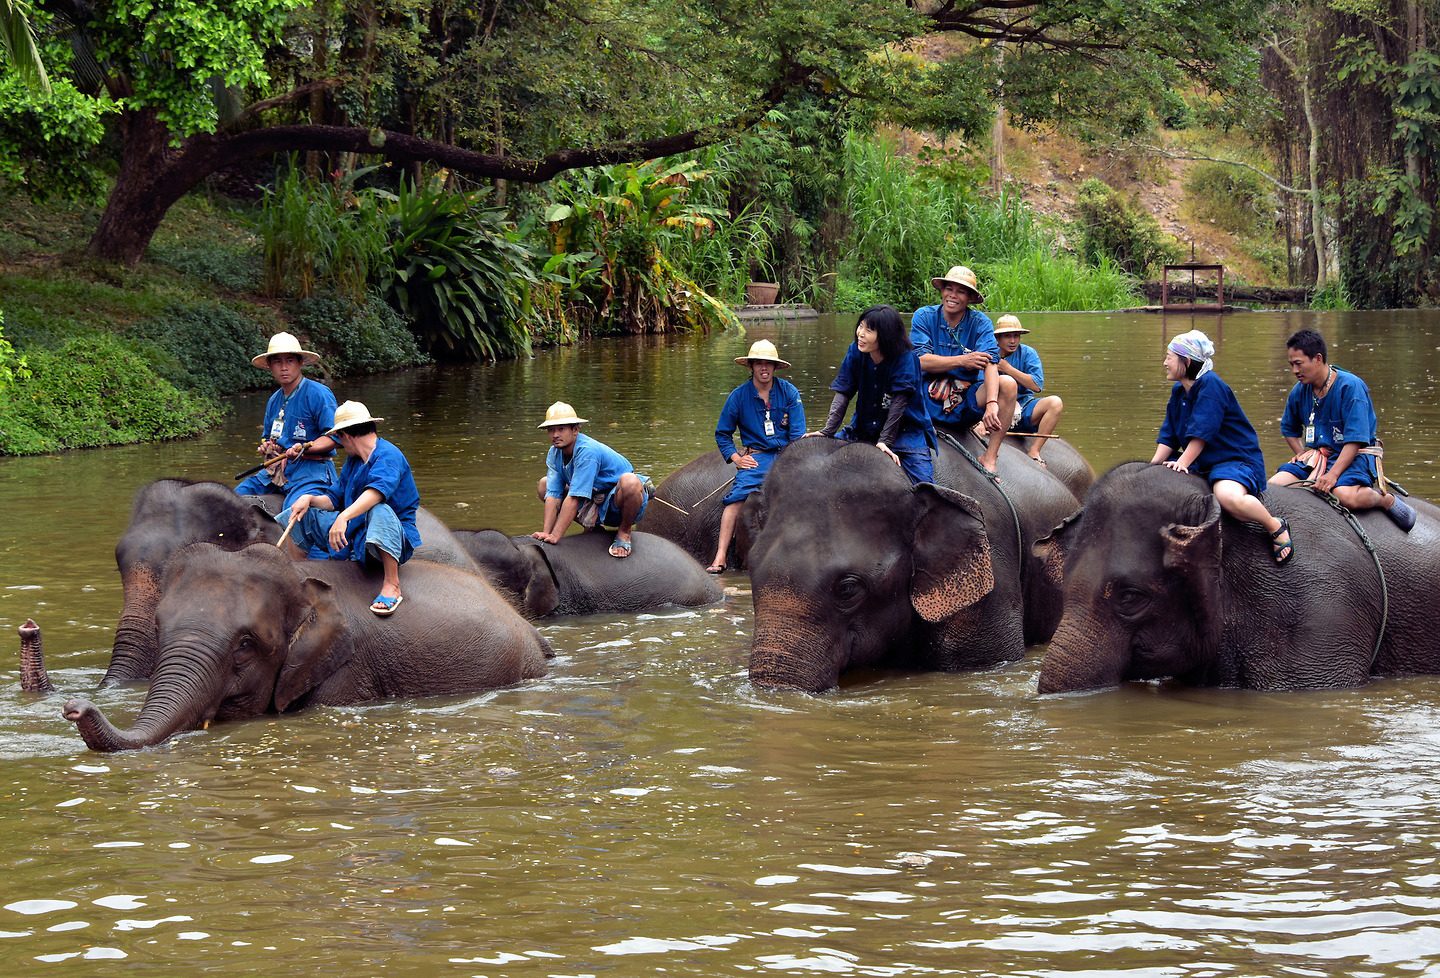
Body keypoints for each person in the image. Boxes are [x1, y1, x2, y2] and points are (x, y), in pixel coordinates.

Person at [1150, 330, 1295, 564]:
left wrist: (1182, 463)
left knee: (1229, 499)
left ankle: (1274, 525)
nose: (1165, 362)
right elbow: (1169, 436)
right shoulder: (1179, 391)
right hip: (1202, 461)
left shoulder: (1211, 387)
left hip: (1232, 461)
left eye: (1169, 357)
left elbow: (1201, 434)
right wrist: (1152, 468)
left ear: (1186, 362)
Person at [281, 401, 422, 616]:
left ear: (346, 435)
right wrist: (308, 498)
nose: (338, 443)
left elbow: (376, 493)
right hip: (356, 533)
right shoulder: (354, 461)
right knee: (297, 514)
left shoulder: (389, 455)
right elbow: (333, 499)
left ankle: (392, 584)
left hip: (391, 536)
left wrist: (344, 517)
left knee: (379, 509)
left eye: (338, 437)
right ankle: (297, 572)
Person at [1268, 328, 1416, 531]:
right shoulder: (1300, 391)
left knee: (1345, 496)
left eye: (1298, 364)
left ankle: (1385, 500)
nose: (1294, 371)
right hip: (1318, 458)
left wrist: (1332, 475)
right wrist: (1302, 453)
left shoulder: (1351, 387)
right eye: (1291, 365)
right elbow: (1289, 428)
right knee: (1272, 489)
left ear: (1317, 359)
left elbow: (1355, 439)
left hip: (1353, 455)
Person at [707, 339, 806, 574]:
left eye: (768, 364)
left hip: (786, 456)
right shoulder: (738, 397)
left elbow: (798, 435)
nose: (764, 368)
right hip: (756, 458)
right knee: (735, 500)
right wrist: (736, 458)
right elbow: (722, 434)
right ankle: (720, 555)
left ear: (775, 367)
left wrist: (793, 462)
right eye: (759, 364)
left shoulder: (789, 392)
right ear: (751, 366)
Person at [810, 305, 936, 485]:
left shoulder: (906, 358)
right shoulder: (855, 351)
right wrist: (827, 431)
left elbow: (899, 404)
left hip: (905, 433)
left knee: (924, 487)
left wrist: (884, 441)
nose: (860, 333)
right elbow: (844, 393)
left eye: (869, 330)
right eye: (860, 326)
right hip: (863, 428)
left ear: (885, 335)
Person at [909, 265, 1016, 474]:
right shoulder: (924, 316)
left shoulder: (980, 323)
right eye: (949, 288)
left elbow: (991, 362)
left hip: (965, 398)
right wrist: (962, 360)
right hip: (925, 396)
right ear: (942, 290)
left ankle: (990, 457)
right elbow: (919, 360)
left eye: (961, 291)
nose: (953, 295)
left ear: (969, 298)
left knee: (1009, 384)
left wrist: (992, 403)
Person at [235, 332, 339, 515]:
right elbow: (268, 437)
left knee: (293, 513)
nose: (284, 367)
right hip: (276, 471)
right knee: (233, 498)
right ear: (269, 366)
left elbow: (335, 437)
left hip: (311, 471)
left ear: (300, 363)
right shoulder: (274, 400)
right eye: (277, 362)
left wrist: (305, 448)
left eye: (289, 361)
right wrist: (267, 446)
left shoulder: (318, 394)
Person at [532, 402, 651, 558]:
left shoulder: (586, 451)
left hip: (616, 501)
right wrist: (546, 533)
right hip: (593, 498)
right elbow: (553, 494)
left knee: (630, 482)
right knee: (544, 485)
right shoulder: (554, 452)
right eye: (551, 430)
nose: (555, 435)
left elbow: (574, 497)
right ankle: (593, 527)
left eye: (561, 429)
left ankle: (624, 532)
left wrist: (556, 536)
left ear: (575, 430)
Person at [994, 314, 1064, 465]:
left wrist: (1008, 369)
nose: (1012, 341)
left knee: (1055, 403)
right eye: (1007, 336)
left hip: (1024, 407)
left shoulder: (1028, 353)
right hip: (998, 408)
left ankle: (1035, 450)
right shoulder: (990, 354)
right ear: (998, 338)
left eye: (1016, 336)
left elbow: (1037, 385)